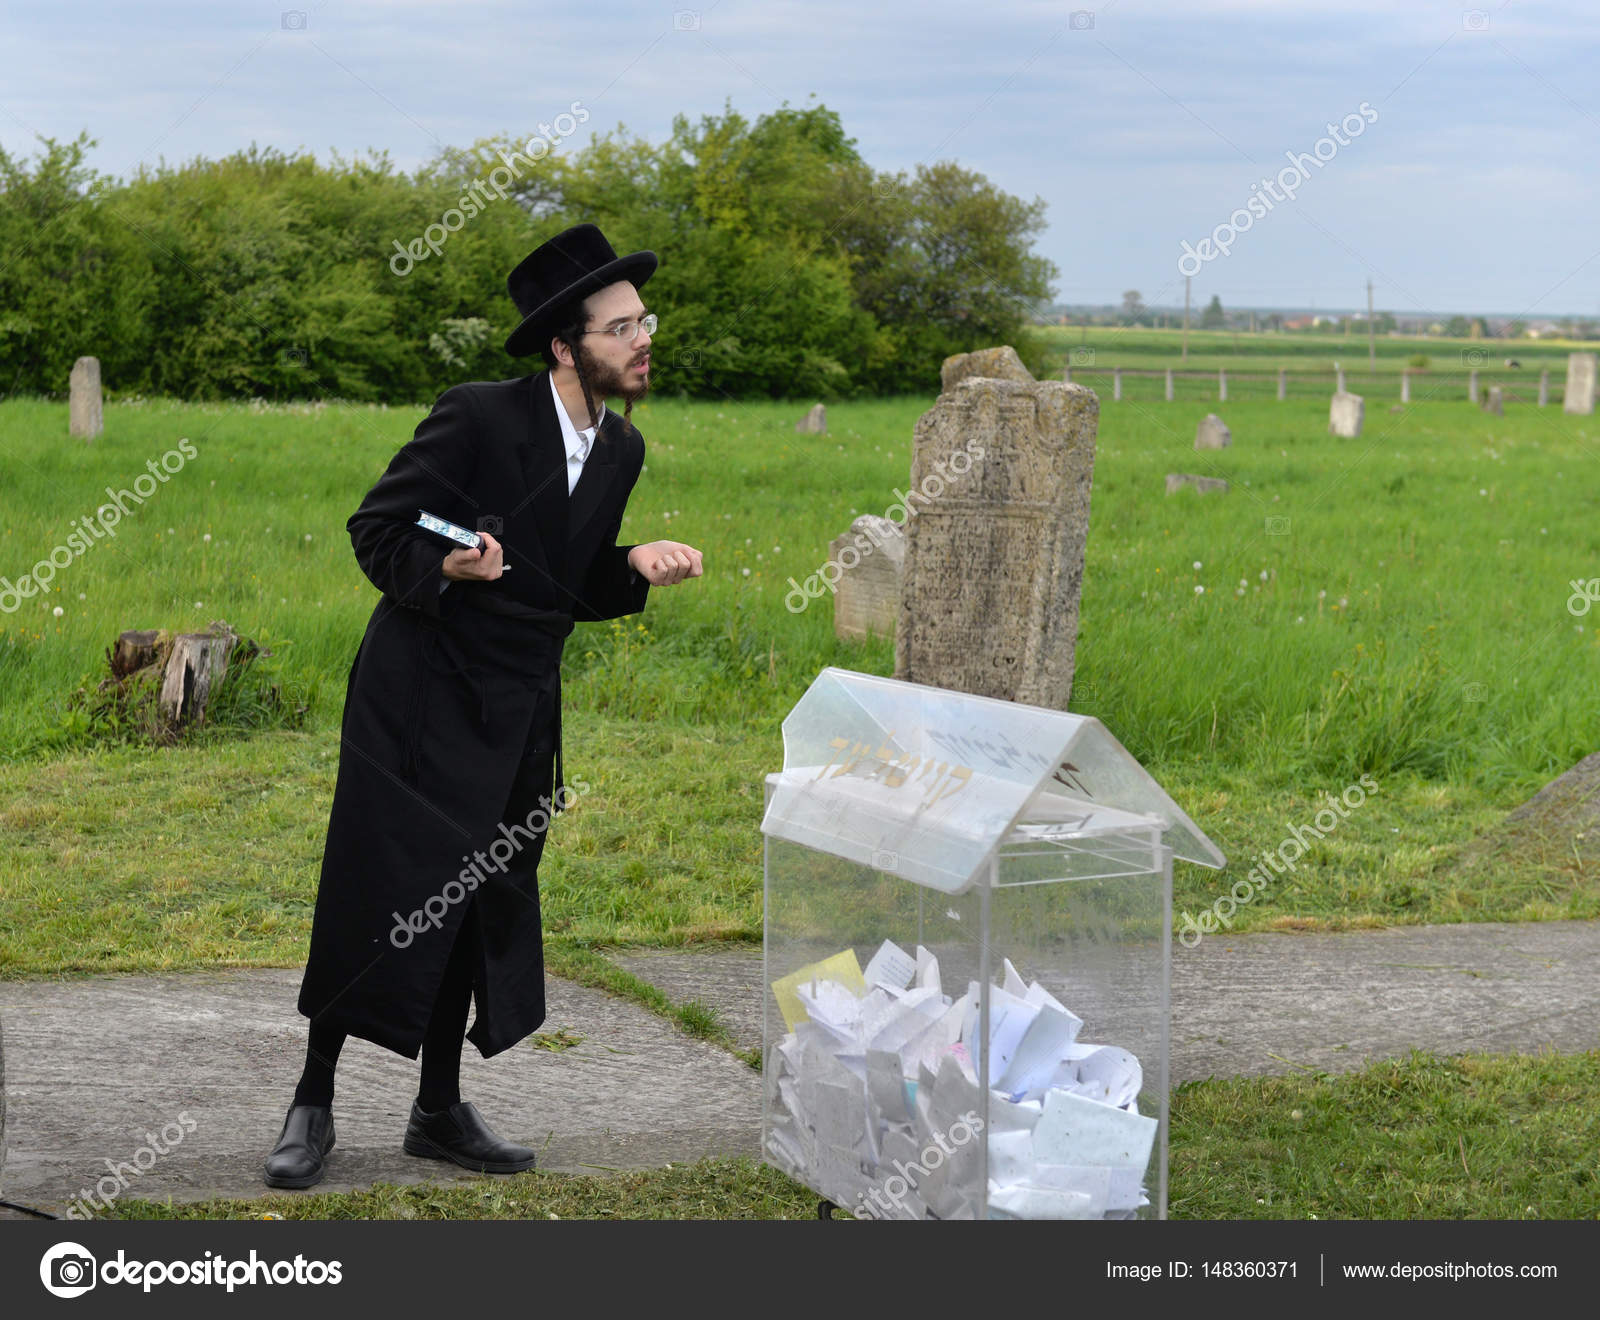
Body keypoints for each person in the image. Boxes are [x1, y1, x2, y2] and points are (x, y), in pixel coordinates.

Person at [264, 223, 702, 1189]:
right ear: (564, 343)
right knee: (377, 890)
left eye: (644, 320)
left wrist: (630, 566)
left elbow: (568, 582)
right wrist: (446, 563)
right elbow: (377, 528)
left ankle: (437, 1110)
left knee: (479, 901)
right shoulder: (476, 416)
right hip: (417, 700)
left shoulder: (622, 450)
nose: (642, 339)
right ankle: (313, 1100)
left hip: (518, 710)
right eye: (621, 325)